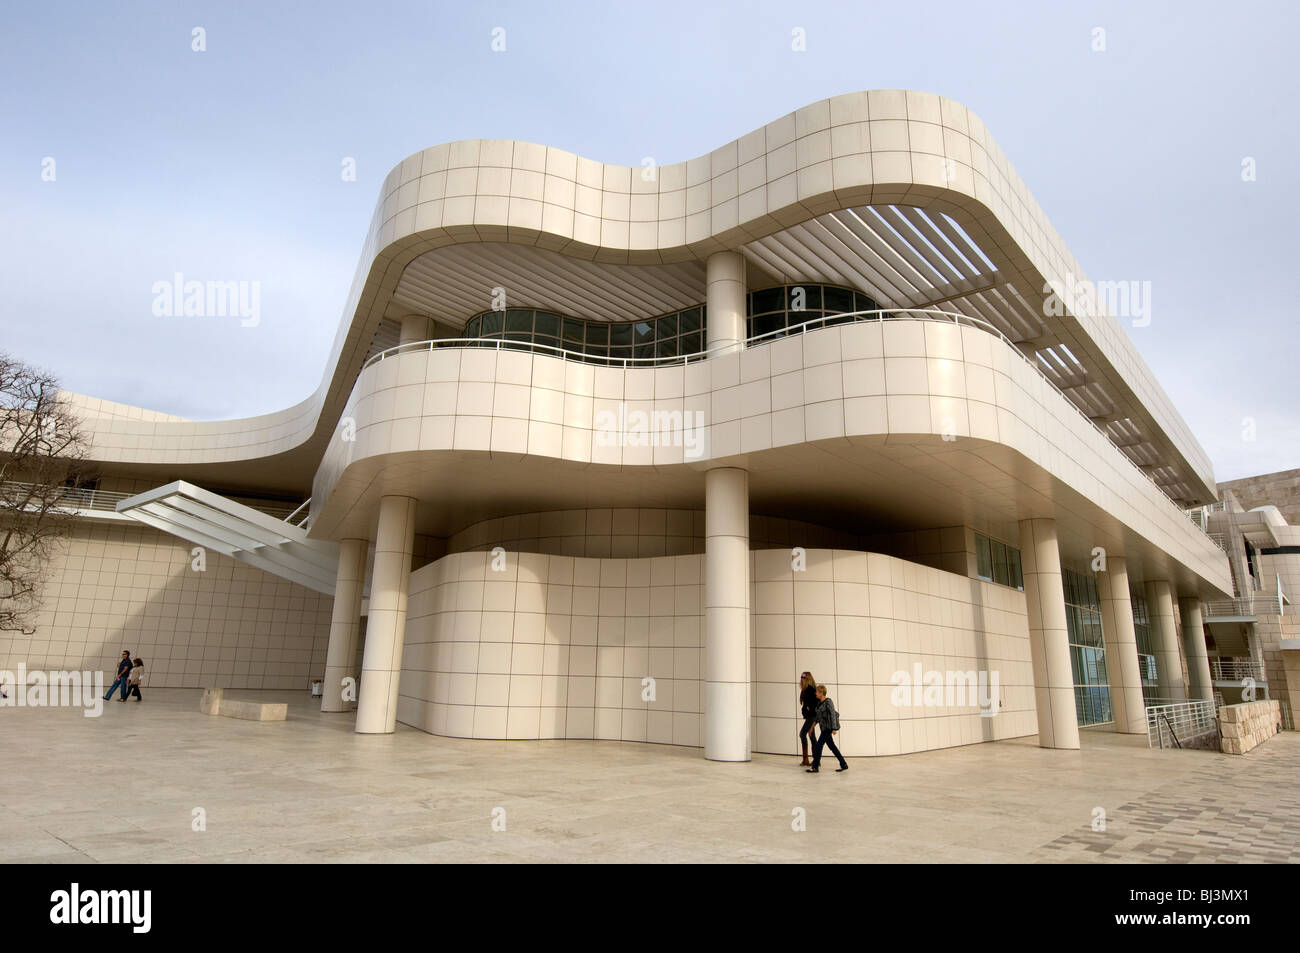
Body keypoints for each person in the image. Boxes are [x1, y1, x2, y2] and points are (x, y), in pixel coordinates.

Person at [807, 684, 848, 773]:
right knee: (832, 746)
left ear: (821, 693)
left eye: (817, 692)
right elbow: (817, 718)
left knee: (818, 745)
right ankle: (843, 764)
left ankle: (815, 767)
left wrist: (834, 728)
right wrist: (811, 728)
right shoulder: (819, 704)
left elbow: (833, 715)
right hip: (823, 728)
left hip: (828, 728)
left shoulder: (828, 702)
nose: (816, 694)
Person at [797, 671, 819, 766]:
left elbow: (816, 704)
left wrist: (809, 708)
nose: (802, 679)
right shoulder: (805, 689)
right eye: (801, 677)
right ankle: (815, 760)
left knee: (803, 734)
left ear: (808, 679)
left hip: (812, 716)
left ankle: (808, 759)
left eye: (804, 677)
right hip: (809, 716)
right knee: (811, 736)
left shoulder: (811, 689)